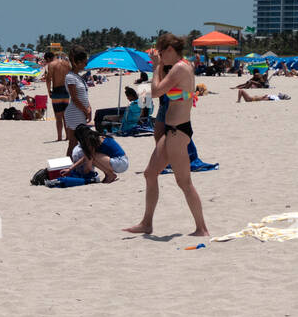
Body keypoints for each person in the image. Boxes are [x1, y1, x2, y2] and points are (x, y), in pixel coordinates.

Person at [124, 34, 209, 237]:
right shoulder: (183, 65)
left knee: (184, 183)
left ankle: (202, 228)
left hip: (178, 131)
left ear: (170, 49)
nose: (160, 57)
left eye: (161, 53)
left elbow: (155, 92)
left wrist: (156, 67)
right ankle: (147, 223)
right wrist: (160, 66)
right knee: (149, 173)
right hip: (173, 130)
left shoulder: (180, 67)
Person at [64, 124, 129, 183]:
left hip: (120, 162)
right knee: (91, 157)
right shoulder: (96, 137)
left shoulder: (92, 141)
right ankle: (108, 175)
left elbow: (89, 161)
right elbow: (85, 157)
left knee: (92, 157)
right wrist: (70, 168)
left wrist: (85, 173)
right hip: (123, 162)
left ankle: (110, 175)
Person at [63, 48, 92, 155]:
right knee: (73, 143)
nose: (86, 65)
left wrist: (89, 108)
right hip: (75, 113)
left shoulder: (77, 77)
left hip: (80, 111)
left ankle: (72, 166)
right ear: (78, 62)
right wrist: (85, 110)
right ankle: (68, 167)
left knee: (79, 142)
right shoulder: (70, 77)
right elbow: (74, 98)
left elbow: (84, 95)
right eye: (85, 62)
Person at [42, 51, 70, 143]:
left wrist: (48, 91)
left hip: (57, 91)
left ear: (49, 59)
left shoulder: (51, 65)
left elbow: (48, 79)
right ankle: (68, 136)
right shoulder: (66, 63)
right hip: (66, 91)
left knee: (58, 116)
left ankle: (59, 137)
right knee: (65, 116)